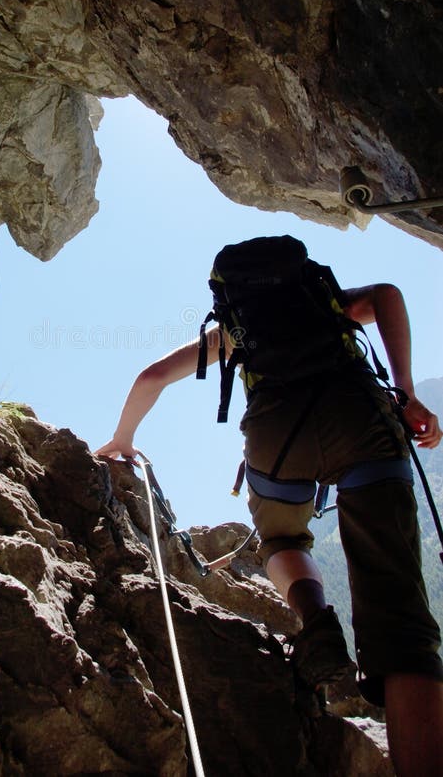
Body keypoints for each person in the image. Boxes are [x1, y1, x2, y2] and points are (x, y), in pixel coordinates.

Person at [97, 247, 443, 777]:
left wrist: (123, 439)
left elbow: (151, 378)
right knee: (402, 624)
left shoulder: (235, 332)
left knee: (281, 542)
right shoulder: (326, 305)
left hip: (278, 437)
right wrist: (405, 393)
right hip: (360, 418)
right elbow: (388, 296)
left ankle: (315, 620)